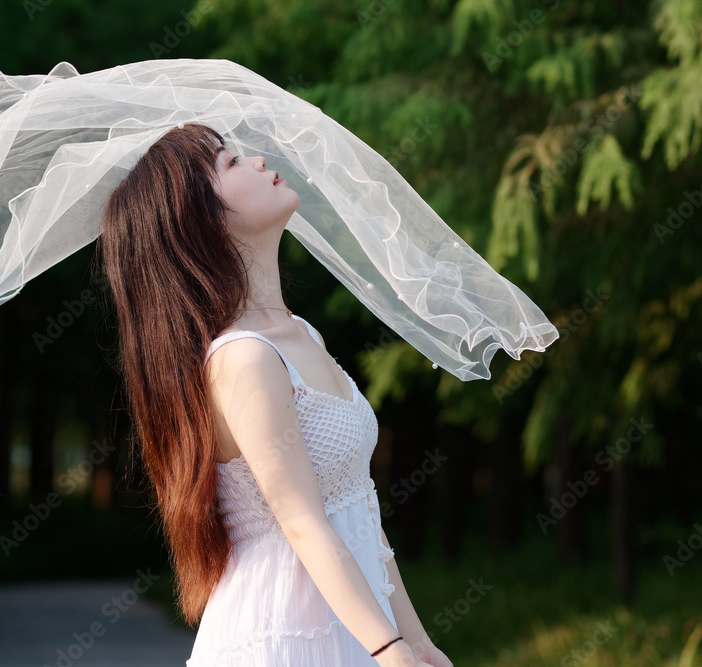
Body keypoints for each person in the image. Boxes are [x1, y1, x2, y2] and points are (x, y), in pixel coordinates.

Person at [97, 122, 453, 666]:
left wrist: (417, 641)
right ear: (199, 220)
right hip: (283, 637)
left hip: (351, 624)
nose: (259, 160)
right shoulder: (243, 357)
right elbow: (301, 520)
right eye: (231, 163)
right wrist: (389, 649)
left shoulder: (301, 333)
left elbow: (359, 512)